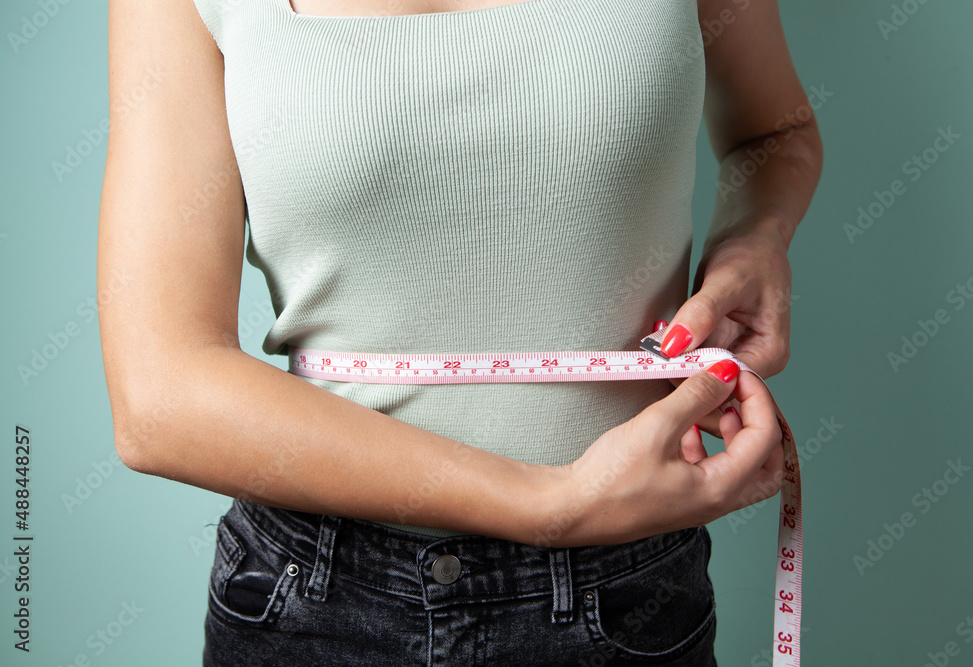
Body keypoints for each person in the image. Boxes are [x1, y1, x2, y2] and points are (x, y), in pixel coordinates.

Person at [97, 0, 822, 664]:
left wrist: (754, 240)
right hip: (314, 599)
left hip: (626, 590)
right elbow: (159, 398)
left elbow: (775, 134)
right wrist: (550, 504)